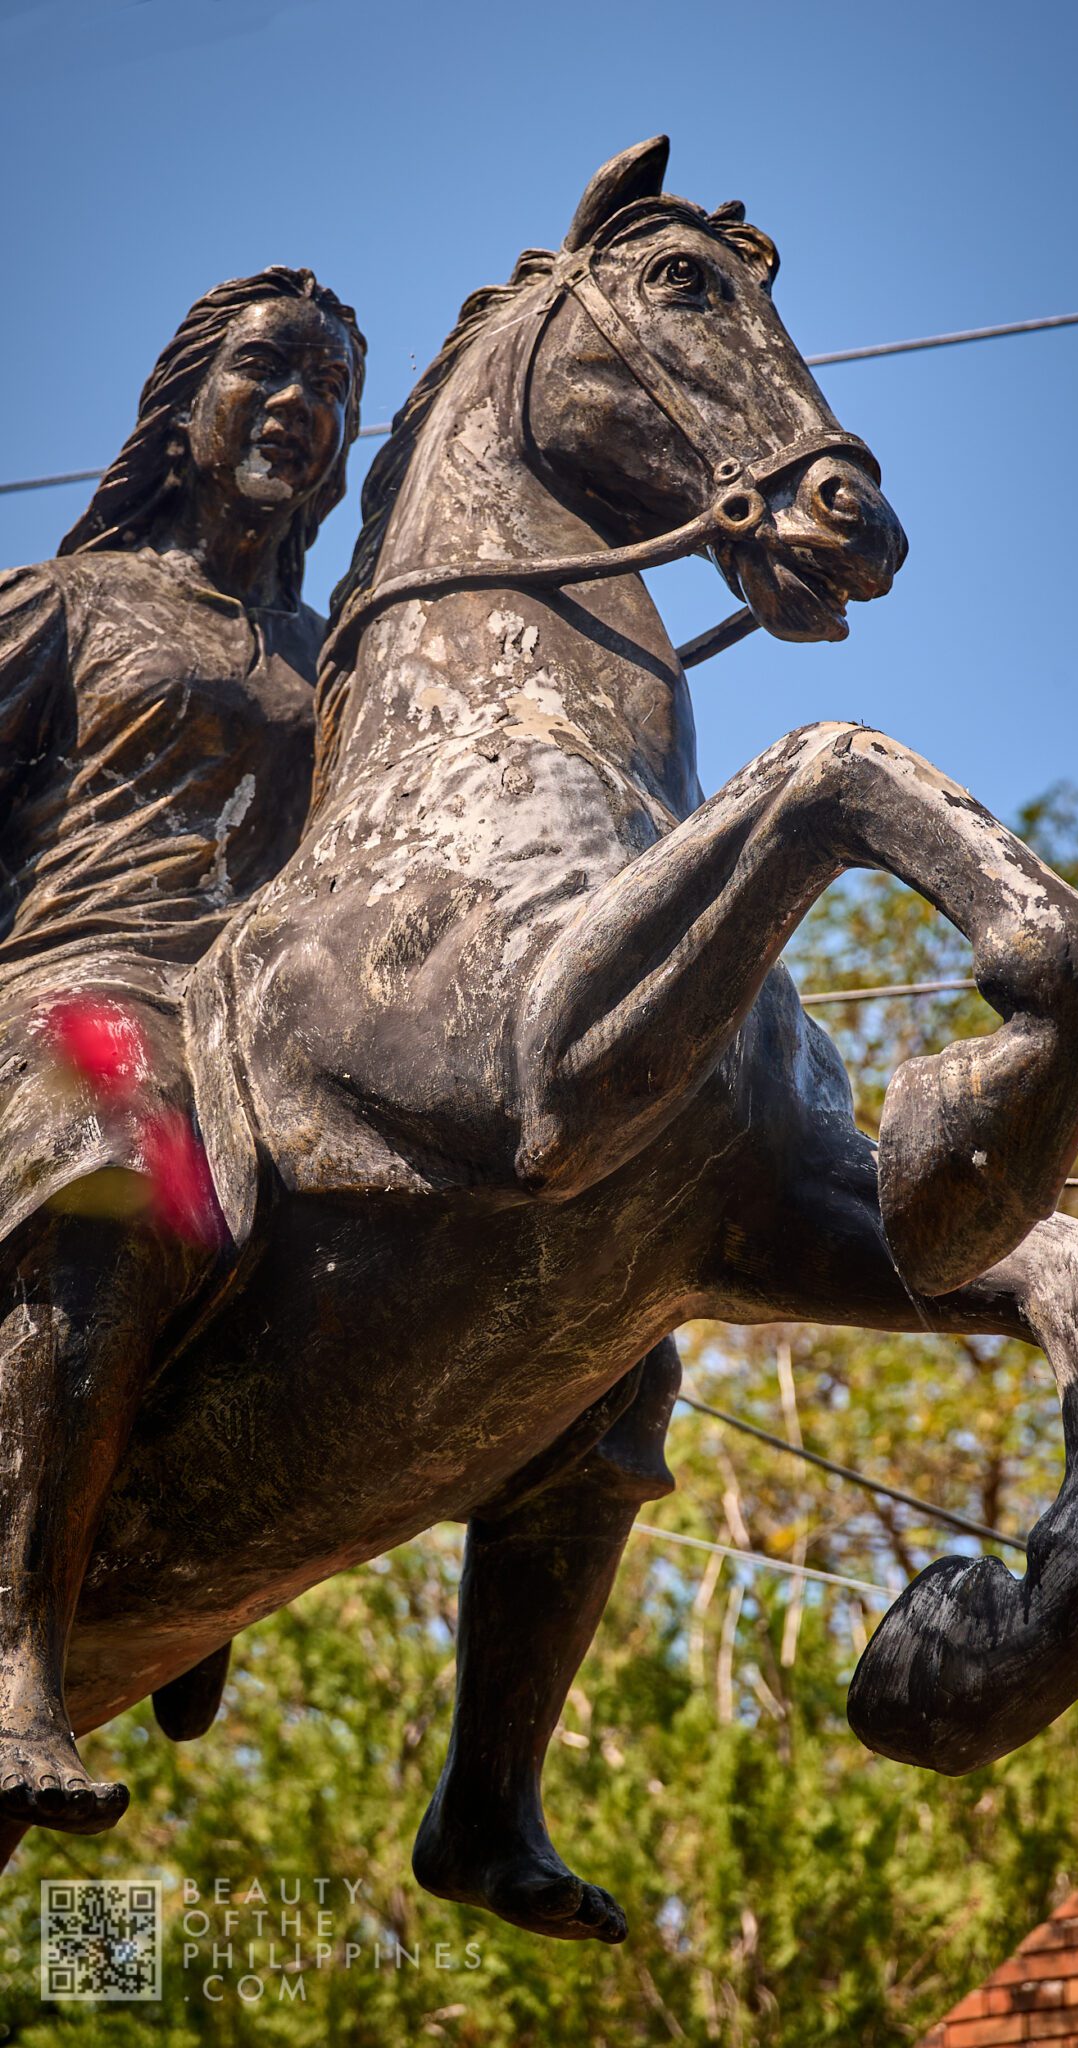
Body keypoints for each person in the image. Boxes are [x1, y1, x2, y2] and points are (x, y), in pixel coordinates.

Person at [0, 267, 365, 1832]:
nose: (301, 400)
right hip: (71, 992)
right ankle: (12, 1660)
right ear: (188, 406)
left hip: (260, 1014)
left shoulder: (341, 652)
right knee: (124, 1138)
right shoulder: (66, 604)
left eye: (332, 385)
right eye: (268, 368)